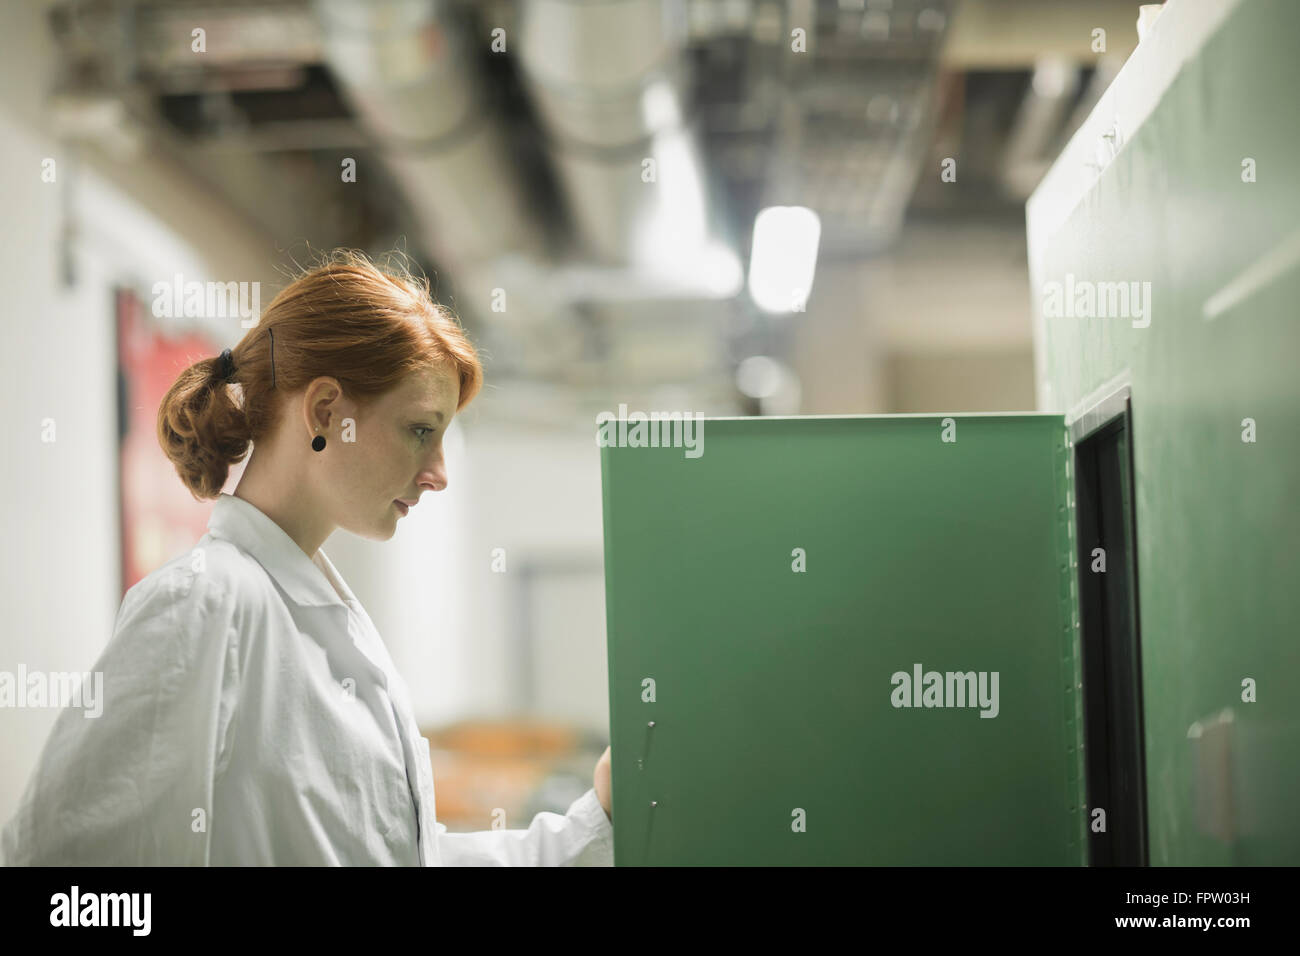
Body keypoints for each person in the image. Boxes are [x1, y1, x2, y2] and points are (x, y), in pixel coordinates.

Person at [0, 250, 613, 866]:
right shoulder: (205, 602)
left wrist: (595, 821)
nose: (439, 475)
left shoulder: (322, 613)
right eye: (420, 430)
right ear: (325, 412)